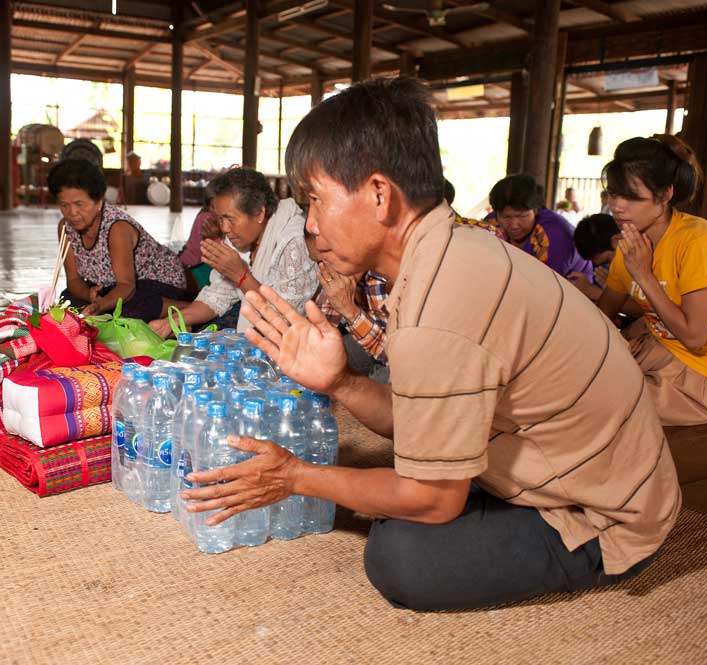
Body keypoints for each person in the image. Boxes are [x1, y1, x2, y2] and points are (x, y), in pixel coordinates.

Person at [182, 78, 680, 612]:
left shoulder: (439, 302)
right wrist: (341, 382)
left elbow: (434, 499)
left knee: (402, 555)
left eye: (317, 201)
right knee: (389, 486)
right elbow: (418, 415)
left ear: (379, 194)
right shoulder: (449, 251)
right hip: (575, 463)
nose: (311, 224)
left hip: (608, 513)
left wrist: (294, 477)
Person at [596, 136, 707, 426]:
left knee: (594, 403)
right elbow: (603, 313)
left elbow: (693, 337)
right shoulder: (632, 239)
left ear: (665, 195)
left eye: (630, 197)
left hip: (701, 374)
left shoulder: (697, 240)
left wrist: (643, 274)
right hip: (655, 348)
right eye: (612, 194)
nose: (617, 206)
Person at [148, 167, 316, 336]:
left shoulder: (293, 241)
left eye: (230, 219)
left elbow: (287, 319)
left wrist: (241, 276)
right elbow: (218, 295)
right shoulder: (240, 236)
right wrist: (173, 321)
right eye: (220, 219)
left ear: (259, 213)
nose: (224, 228)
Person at [48, 159, 187, 319]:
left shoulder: (117, 228)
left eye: (79, 204)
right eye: (64, 205)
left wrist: (101, 305)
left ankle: (189, 309)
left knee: (128, 309)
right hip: (111, 286)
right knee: (68, 302)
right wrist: (89, 295)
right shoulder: (65, 228)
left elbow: (126, 286)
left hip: (157, 280)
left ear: (99, 201)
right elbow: (73, 279)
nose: (72, 212)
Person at [465, 174, 593, 281]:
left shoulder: (557, 235)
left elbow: (544, 287)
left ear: (536, 210)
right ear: (496, 213)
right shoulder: (492, 224)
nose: (514, 225)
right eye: (506, 217)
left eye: (522, 216)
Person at [305, 230, 391, 381]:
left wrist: (350, 311)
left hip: (407, 365)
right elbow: (319, 327)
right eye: (318, 262)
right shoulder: (339, 271)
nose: (324, 268)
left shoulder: (381, 277)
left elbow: (396, 358)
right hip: (378, 346)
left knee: (376, 382)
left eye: (328, 260)